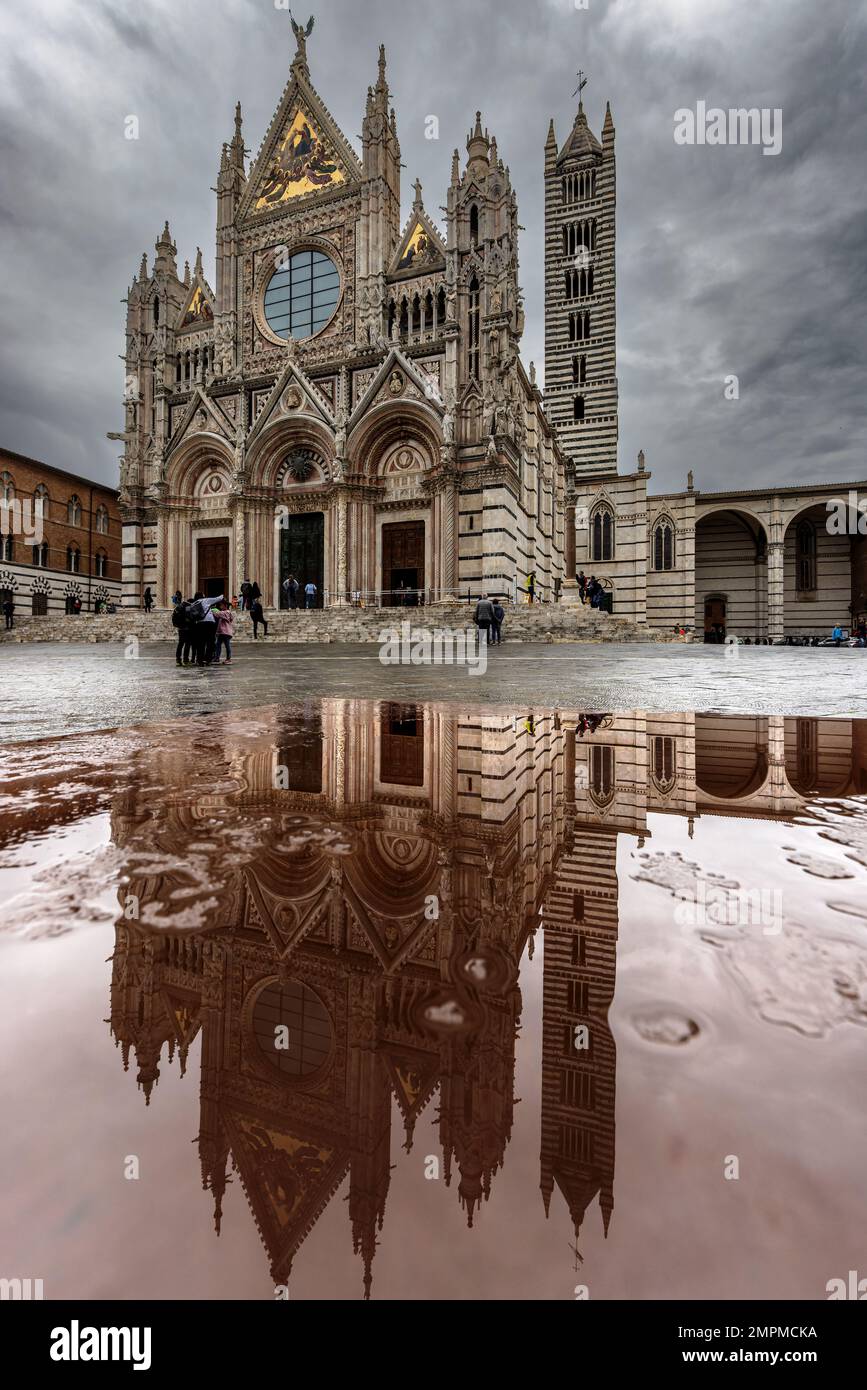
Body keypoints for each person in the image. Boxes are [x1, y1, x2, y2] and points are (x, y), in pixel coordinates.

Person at [172, 597, 195, 666]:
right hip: (187, 628)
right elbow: (190, 617)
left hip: (180, 628)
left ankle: (178, 659)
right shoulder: (189, 607)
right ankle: (186, 660)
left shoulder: (180, 606)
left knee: (180, 644)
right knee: (187, 644)